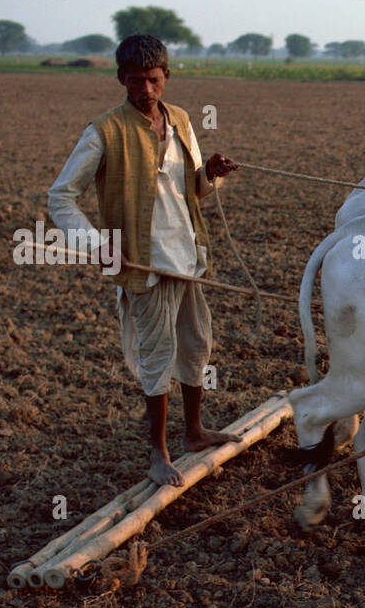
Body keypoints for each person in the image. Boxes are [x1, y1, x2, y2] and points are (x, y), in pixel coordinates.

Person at [48, 34, 241, 486]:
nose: (146, 90)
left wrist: (210, 174)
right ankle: (158, 452)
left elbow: (194, 188)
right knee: (157, 357)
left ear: (166, 76)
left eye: (154, 80)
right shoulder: (103, 132)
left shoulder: (180, 121)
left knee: (195, 346)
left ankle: (194, 432)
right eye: (136, 81)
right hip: (142, 264)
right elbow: (61, 198)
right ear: (121, 79)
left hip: (187, 256)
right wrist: (97, 245)